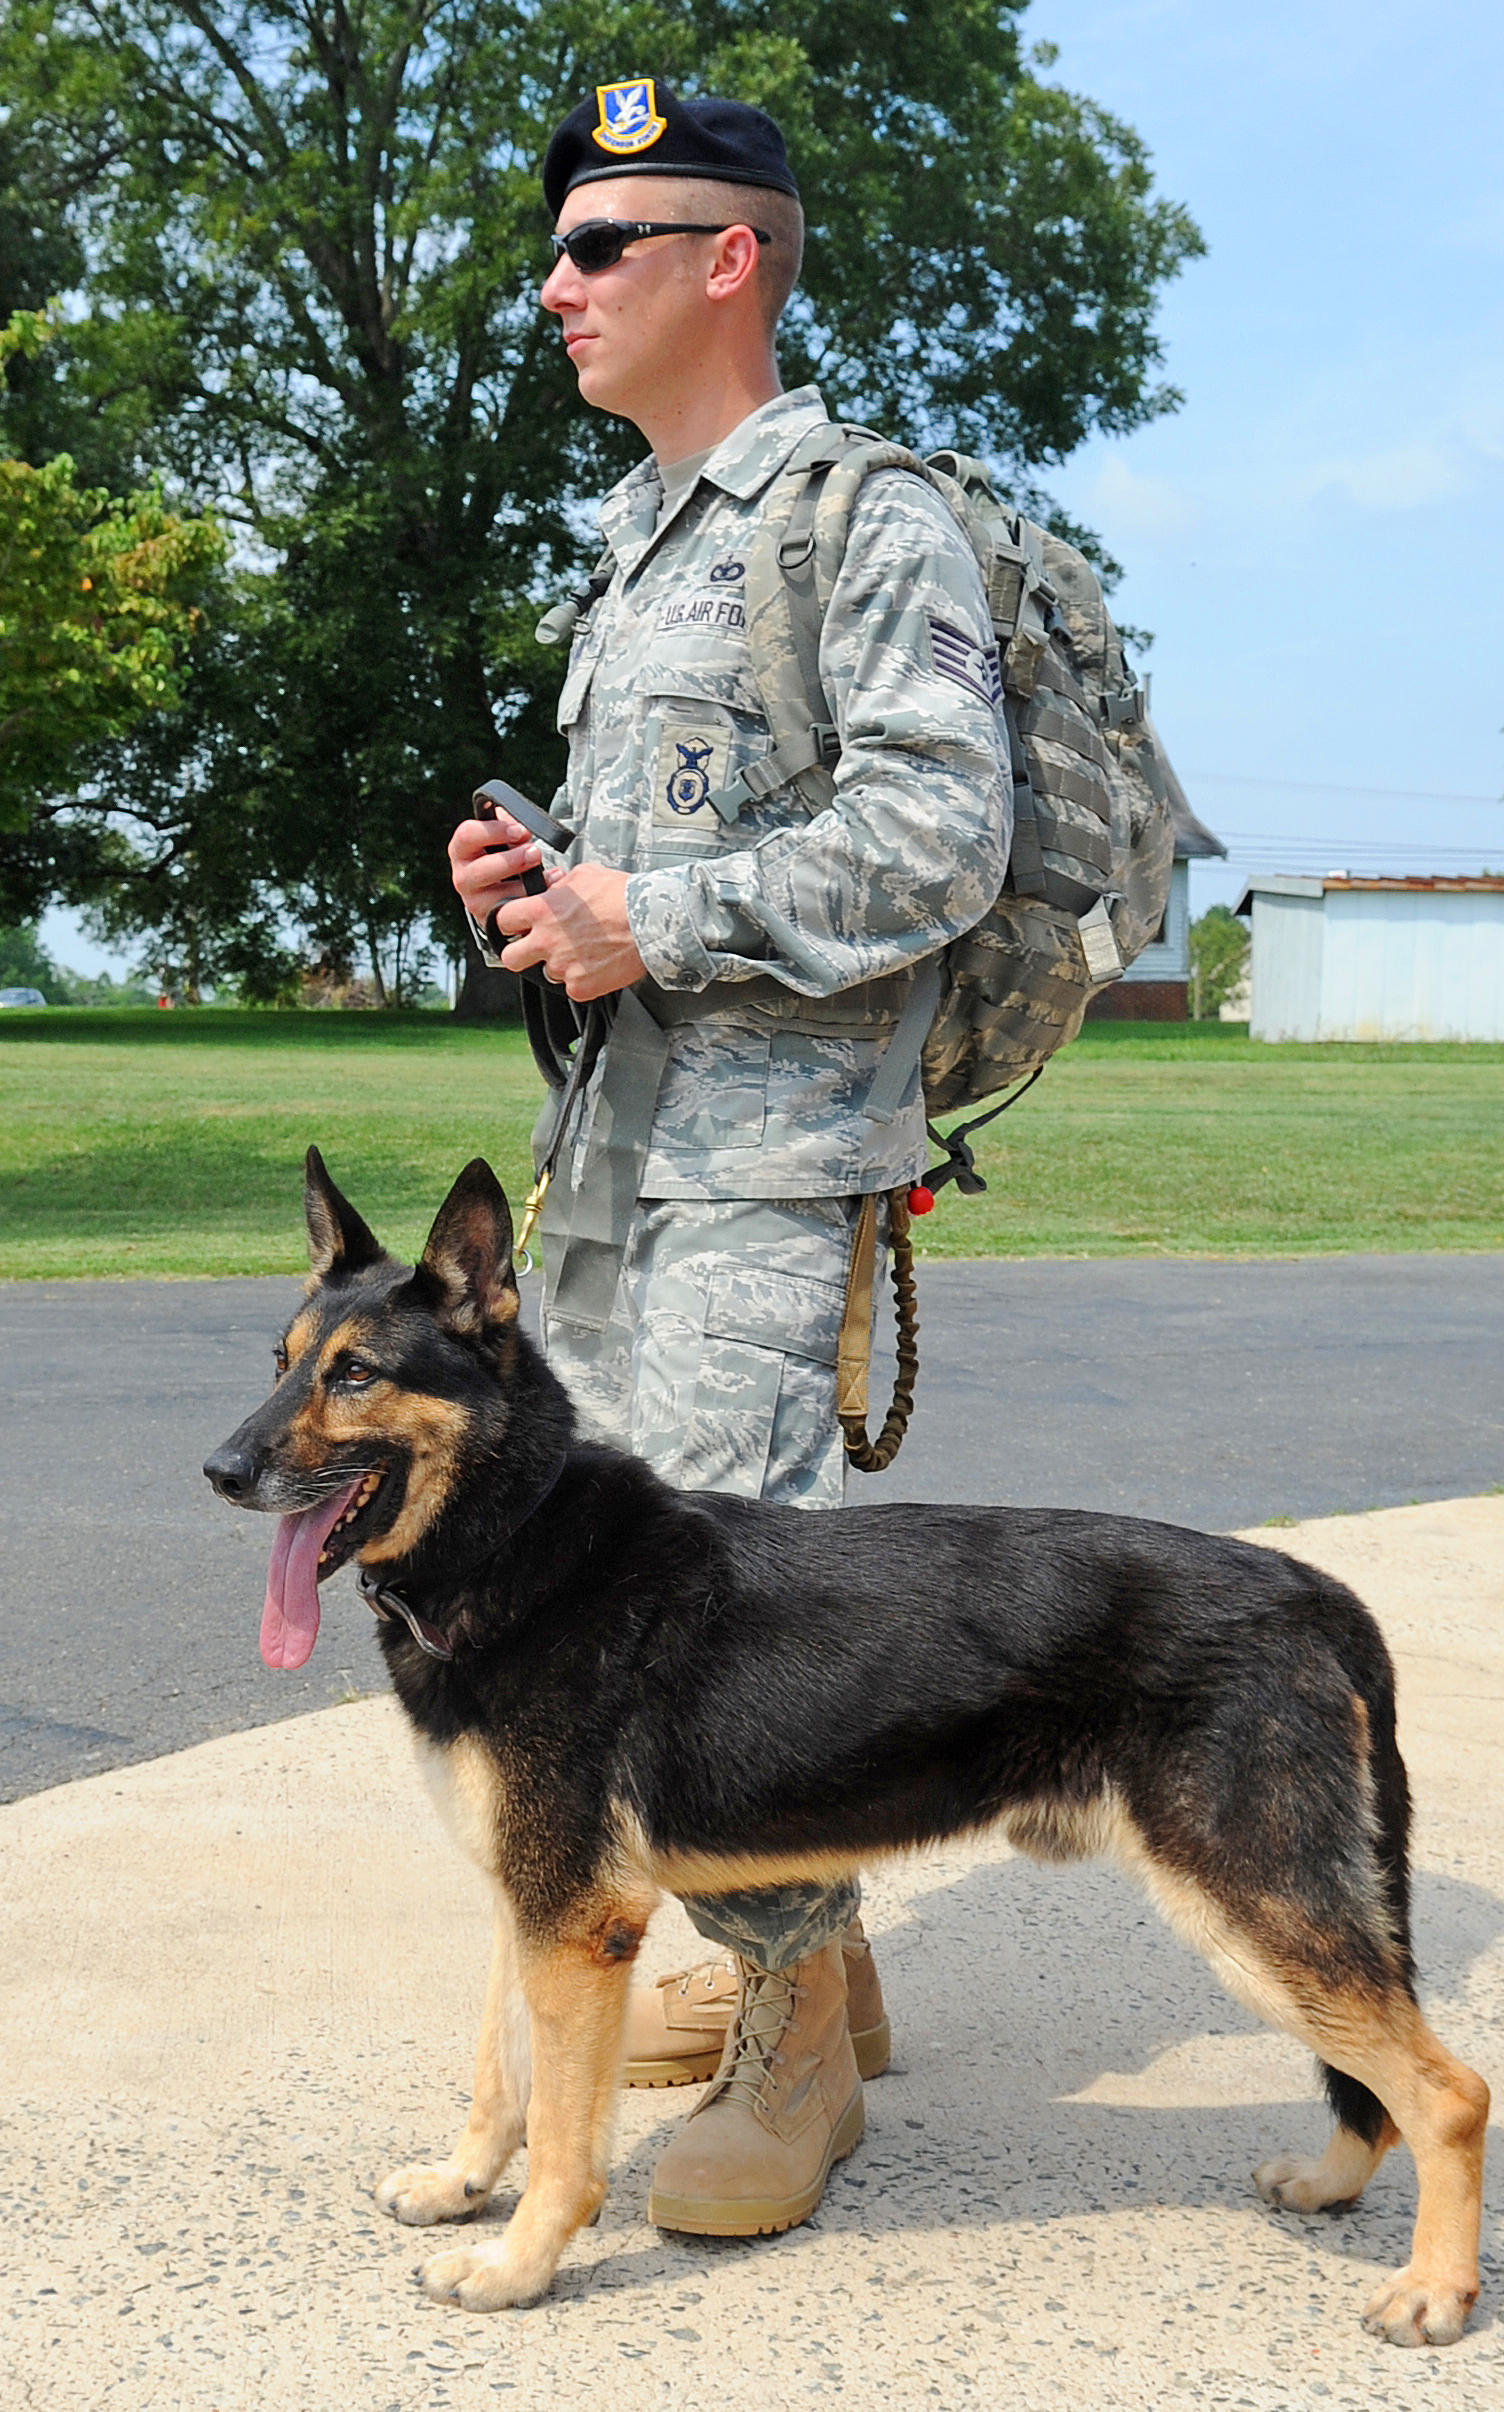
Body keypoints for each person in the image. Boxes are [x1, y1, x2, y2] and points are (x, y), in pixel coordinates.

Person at [448, 77, 1012, 2241]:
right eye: (557, 251)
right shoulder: (641, 535)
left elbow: (941, 833)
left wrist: (653, 916)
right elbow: (659, 865)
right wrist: (543, 894)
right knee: (622, 1587)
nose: (560, 285)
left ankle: (795, 2047)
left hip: (767, 1175)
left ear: (731, 260)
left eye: (603, 245)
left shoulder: (861, 517)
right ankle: (817, 1966)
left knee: (715, 1620)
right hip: (618, 1155)